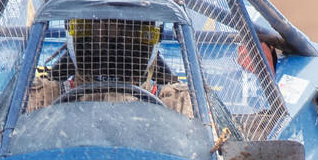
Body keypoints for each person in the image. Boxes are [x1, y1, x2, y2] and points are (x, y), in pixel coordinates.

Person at [24, 19, 195, 116]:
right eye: (101, 26)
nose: (113, 39)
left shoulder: (179, 102)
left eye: (127, 28)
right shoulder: (40, 98)